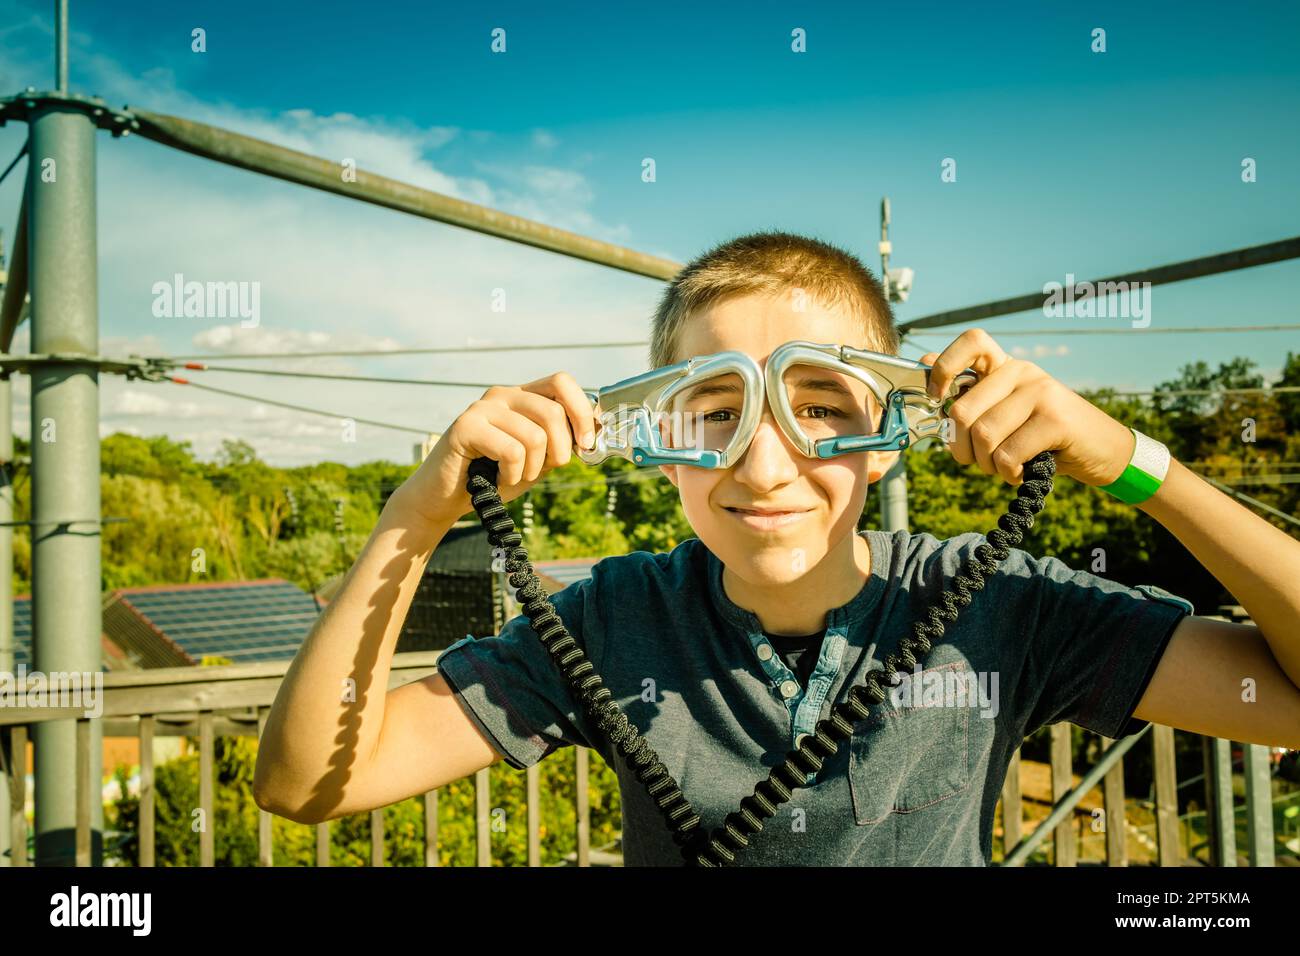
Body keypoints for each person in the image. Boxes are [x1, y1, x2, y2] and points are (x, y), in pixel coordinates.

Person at [253, 231, 1300, 866]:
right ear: (657, 447)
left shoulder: (998, 602)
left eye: (819, 406)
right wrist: (414, 515)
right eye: (713, 411)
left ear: (892, 439)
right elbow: (306, 783)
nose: (764, 464)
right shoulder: (609, 620)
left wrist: (1131, 462)